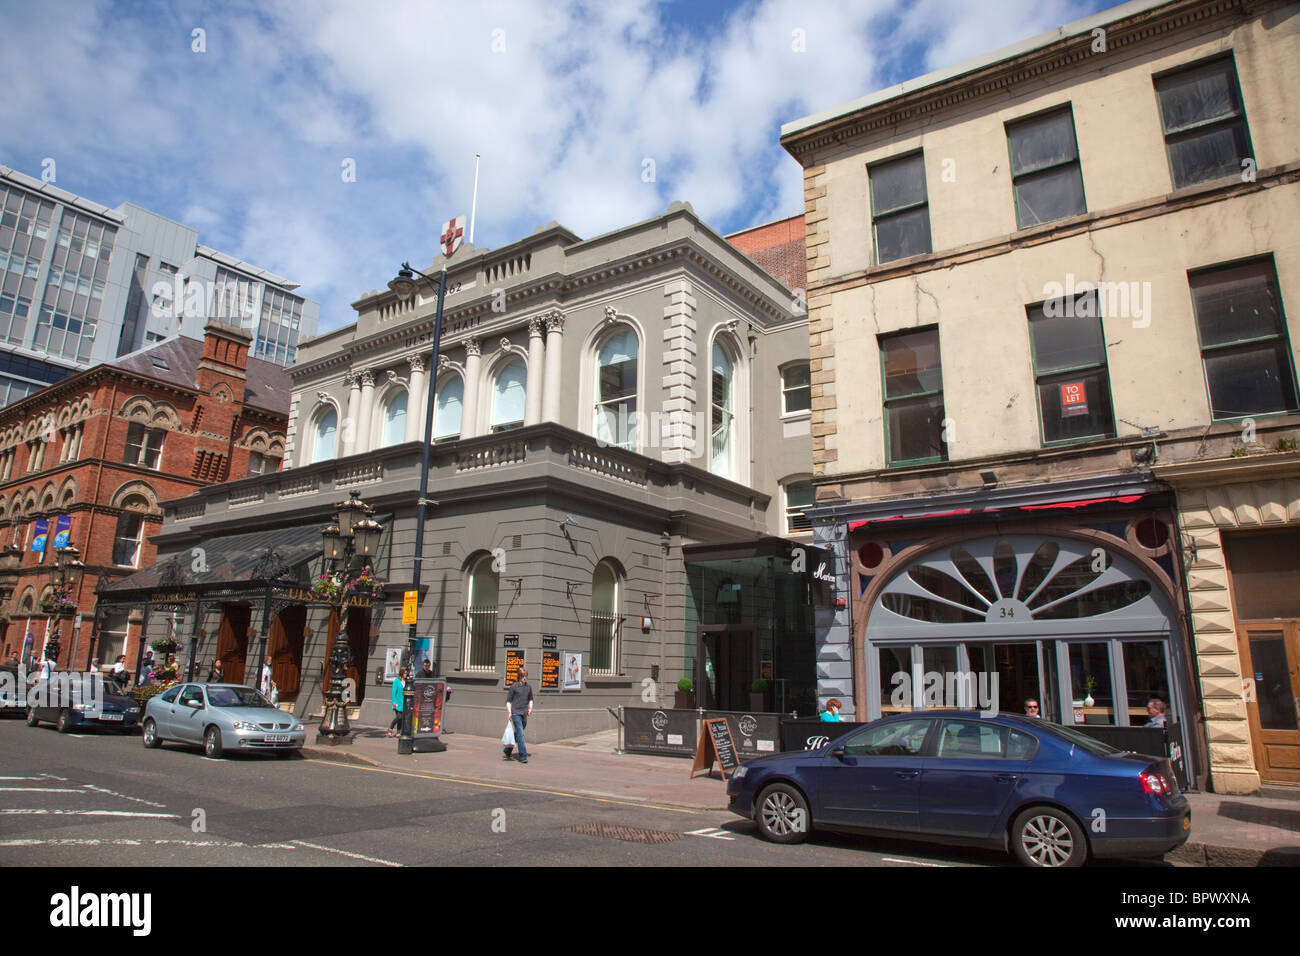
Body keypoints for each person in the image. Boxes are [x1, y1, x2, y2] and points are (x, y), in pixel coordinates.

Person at [504, 668, 534, 763]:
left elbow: (531, 699)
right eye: (523, 676)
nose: (525, 678)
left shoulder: (528, 687)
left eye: (525, 676)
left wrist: (530, 708)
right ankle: (522, 756)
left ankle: (507, 750)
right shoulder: (514, 687)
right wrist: (509, 713)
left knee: (517, 733)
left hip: (524, 714)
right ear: (519, 677)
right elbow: (508, 701)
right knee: (520, 734)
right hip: (516, 713)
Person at [388, 667, 407, 738]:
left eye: (406, 673)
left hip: (403, 702)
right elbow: (394, 692)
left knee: (401, 718)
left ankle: (398, 732)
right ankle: (391, 728)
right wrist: (394, 702)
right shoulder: (396, 681)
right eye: (405, 673)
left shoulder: (405, 681)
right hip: (397, 702)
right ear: (402, 673)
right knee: (399, 717)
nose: (406, 674)